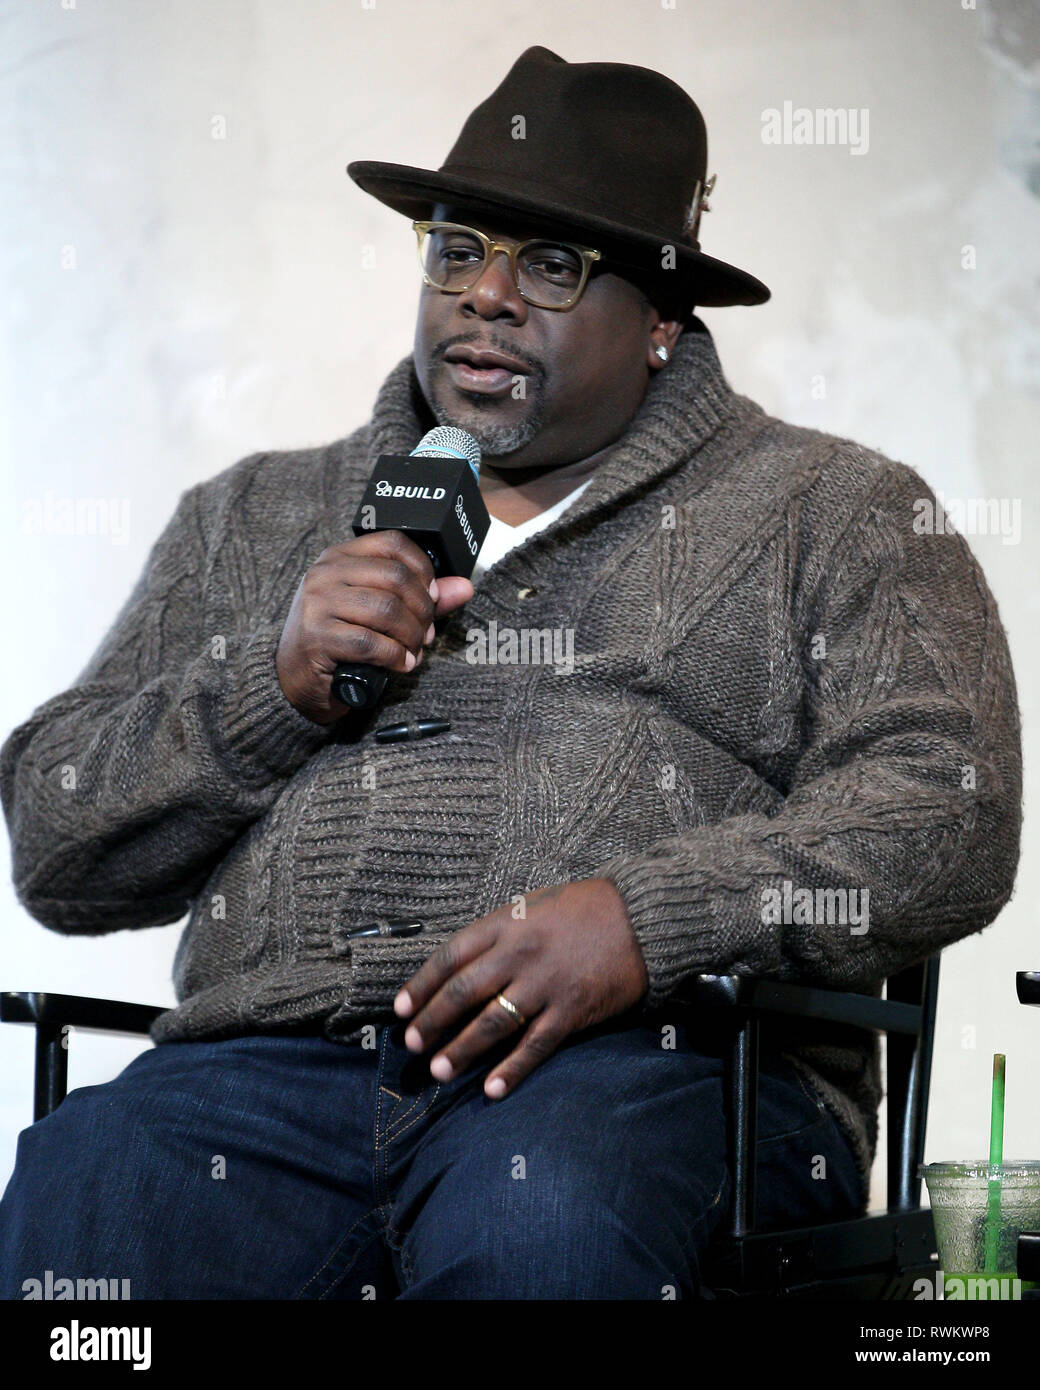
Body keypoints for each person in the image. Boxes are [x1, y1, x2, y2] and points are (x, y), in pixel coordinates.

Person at [0, 46, 1021, 1300]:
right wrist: (270, 694)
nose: (483, 296)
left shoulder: (834, 509)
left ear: (660, 319)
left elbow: (946, 809)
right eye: (454, 248)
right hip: (260, 1081)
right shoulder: (250, 515)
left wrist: (645, 923)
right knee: (86, 1213)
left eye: (548, 264)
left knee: (542, 1224)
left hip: (656, 1072)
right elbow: (55, 842)